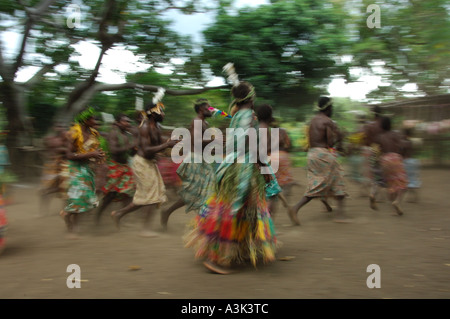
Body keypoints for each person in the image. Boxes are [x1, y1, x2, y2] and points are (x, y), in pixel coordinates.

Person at [184, 81, 278, 275]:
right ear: (251, 97)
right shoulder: (248, 118)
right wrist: (266, 171)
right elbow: (253, 148)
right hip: (242, 171)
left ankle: (236, 251)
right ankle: (216, 259)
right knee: (233, 211)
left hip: (231, 168)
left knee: (238, 211)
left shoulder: (236, 117)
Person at [110, 101, 178, 237]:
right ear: (153, 113)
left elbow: (159, 145)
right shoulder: (145, 127)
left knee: (151, 196)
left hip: (148, 163)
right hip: (141, 163)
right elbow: (146, 150)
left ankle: (119, 214)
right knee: (151, 196)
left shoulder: (156, 127)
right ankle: (144, 229)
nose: (163, 114)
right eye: (161, 111)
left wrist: (170, 142)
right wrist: (167, 145)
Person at [289, 97, 349, 225]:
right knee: (338, 181)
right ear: (328, 108)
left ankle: (304, 207)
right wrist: (340, 137)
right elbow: (330, 142)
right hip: (323, 154)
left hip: (312, 154)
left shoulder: (312, 121)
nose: (332, 110)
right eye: (331, 107)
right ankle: (340, 215)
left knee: (319, 182)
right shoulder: (328, 121)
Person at [160, 98, 217, 230]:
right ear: (201, 109)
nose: (212, 109)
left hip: (201, 159)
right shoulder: (197, 121)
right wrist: (213, 141)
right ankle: (203, 223)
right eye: (209, 107)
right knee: (197, 192)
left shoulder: (204, 123)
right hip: (195, 160)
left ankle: (169, 212)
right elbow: (197, 142)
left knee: (200, 192)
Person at [60, 107, 105, 238]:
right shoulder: (73, 132)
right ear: (85, 120)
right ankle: (69, 223)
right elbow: (68, 155)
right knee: (77, 197)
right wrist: (91, 154)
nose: (94, 120)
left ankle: (75, 225)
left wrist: (99, 156)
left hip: (87, 168)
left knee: (85, 199)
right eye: (91, 118)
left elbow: (96, 150)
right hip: (74, 168)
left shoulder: (93, 133)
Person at [95, 114, 137, 225]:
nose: (128, 123)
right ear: (118, 122)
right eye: (125, 121)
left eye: (128, 121)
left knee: (128, 193)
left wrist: (135, 149)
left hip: (126, 167)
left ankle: (122, 217)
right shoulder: (113, 133)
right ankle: (97, 217)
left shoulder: (128, 135)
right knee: (111, 195)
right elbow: (113, 150)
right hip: (115, 166)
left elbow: (131, 152)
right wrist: (130, 146)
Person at [255, 104, 291, 218]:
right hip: (263, 166)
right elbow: (261, 152)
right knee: (271, 196)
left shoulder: (257, 128)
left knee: (266, 196)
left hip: (259, 165)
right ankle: (267, 225)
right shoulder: (264, 129)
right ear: (269, 116)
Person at [373, 116, 408, 215]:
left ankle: (393, 208)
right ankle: (397, 201)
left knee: (390, 184)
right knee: (402, 184)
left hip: (384, 160)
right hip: (395, 158)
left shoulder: (379, 137)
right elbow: (402, 145)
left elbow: (376, 151)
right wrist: (402, 155)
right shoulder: (395, 134)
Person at [39, 123, 69, 216]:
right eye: (58, 126)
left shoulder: (66, 139)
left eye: (61, 126)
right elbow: (44, 149)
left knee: (65, 188)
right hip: (51, 166)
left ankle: (64, 210)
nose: (60, 128)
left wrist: (61, 151)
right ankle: (43, 211)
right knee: (45, 189)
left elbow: (69, 150)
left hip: (62, 165)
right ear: (54, 128)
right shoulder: (50, 139)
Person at [361, 105, 386, 210]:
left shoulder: (370, 125)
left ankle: (375, 194)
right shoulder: (384, 124)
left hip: (372, 150)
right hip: (382, 150)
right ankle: (375, 194)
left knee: (376, 173)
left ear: (373, 113)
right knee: (383, 175)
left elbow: (366, 141)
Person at [402, 127, 422, 203]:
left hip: (406, 162)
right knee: (411, 180)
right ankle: (415, 197)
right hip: (411, 161)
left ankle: (406, 198)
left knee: (407, 180)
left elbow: (402, 152)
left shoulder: (404, 142)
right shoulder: (409, 142)